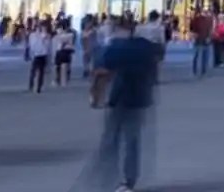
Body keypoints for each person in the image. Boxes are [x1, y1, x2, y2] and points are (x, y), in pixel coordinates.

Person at [89, 17, 157, 192]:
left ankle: (110, 177)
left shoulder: (115, 48)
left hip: (119, 98)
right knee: (132, 140)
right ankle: (129, 180)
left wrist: (96, 97)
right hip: (140, 97)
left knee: (112, 139)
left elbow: (101, 72)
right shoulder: (145, 47)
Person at [28, 20, 53, 93]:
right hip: (36, 55)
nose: (44, 29)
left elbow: (48, 47)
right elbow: (32, 46)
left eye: (45, 28)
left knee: (41, 71)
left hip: (43, 55)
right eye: (43, 27)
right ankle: (32, 85)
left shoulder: (47, 36)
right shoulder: (33, 35)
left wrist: (45, 39)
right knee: (34, 70)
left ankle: (39, 86)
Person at [54, 21, 77, 87]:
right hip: (67, 50)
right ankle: (66, 77)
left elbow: (57, 40)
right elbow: (73, 41)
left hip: (60, 50)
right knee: (67, 64)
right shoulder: (72, 33)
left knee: (58, 65)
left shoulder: (59, 32)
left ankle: (59, 78)